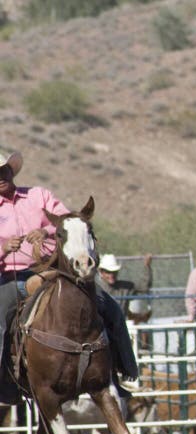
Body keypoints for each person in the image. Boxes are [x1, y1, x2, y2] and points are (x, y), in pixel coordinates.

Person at [0, 149, 139, 403]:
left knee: (110, 309)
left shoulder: (38, 195)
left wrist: (45, 231)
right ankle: (3, 383)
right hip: (10, 276)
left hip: (55, 272)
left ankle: (121, 372)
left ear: (12, 171)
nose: (1, 176)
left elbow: (68, 221)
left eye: (4, 170)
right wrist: (3, 248)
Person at [96, 252, 153, 317]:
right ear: (101, 272)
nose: (111, 275)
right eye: (108, 272)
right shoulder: (96, 288)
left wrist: (147, 266)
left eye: (114, 272)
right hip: (102, 325)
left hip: (120, 324)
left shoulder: (125, 287)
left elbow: (144, 287)